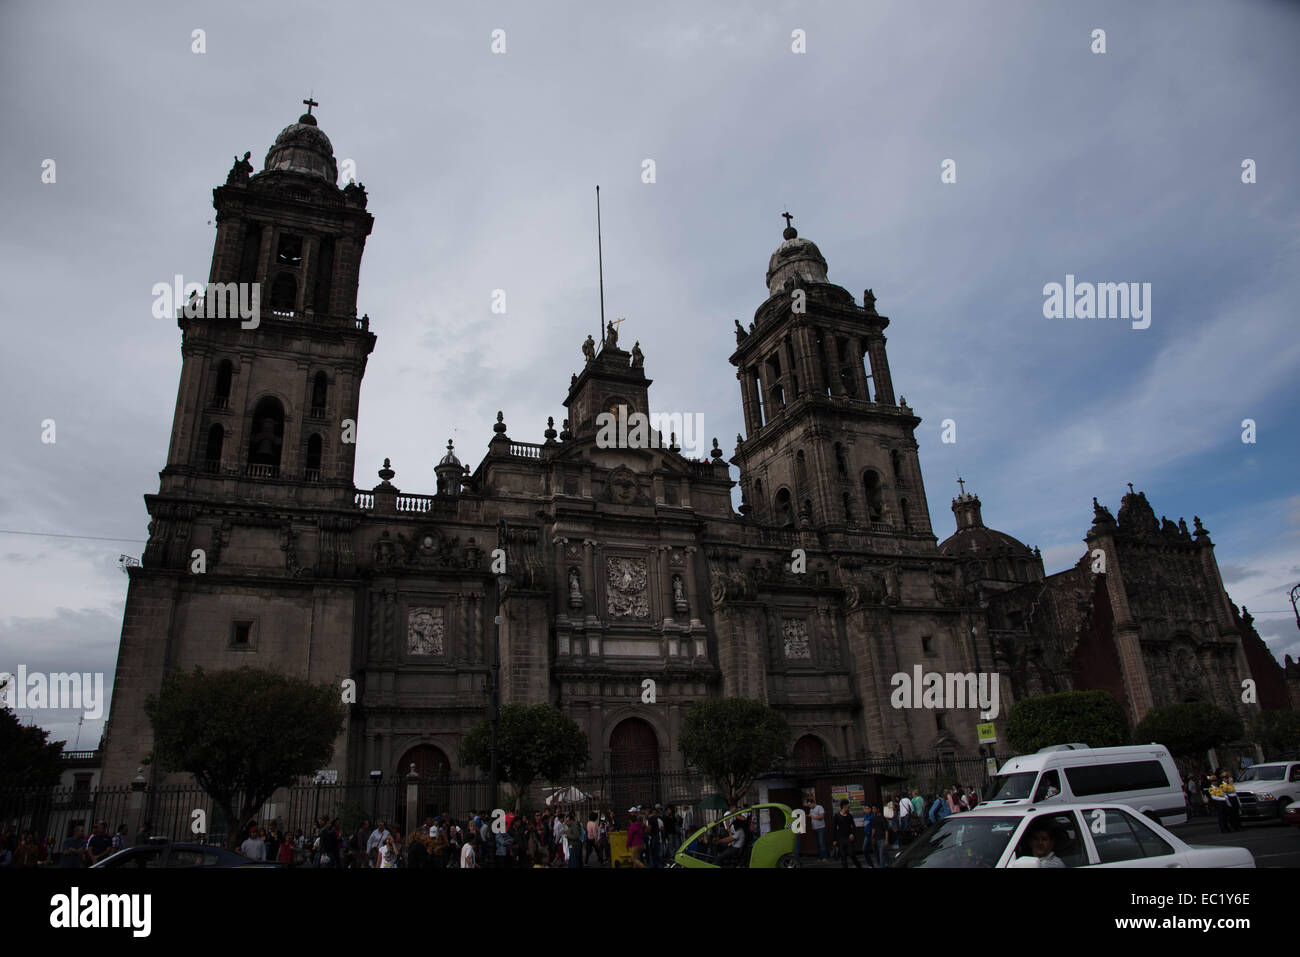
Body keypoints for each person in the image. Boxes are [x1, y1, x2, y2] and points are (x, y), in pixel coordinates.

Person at [831, 800, 861, 868]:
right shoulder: (836, 816)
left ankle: (858, 865)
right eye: (848, 805)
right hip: (841, 838)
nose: (849, 806)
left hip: (849, 838)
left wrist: (852, 834)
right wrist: (834, 840)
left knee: (852, 854)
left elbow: (853, 826)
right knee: (843, 856)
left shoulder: (849, 816)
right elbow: (834, 828)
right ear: (844, 806)